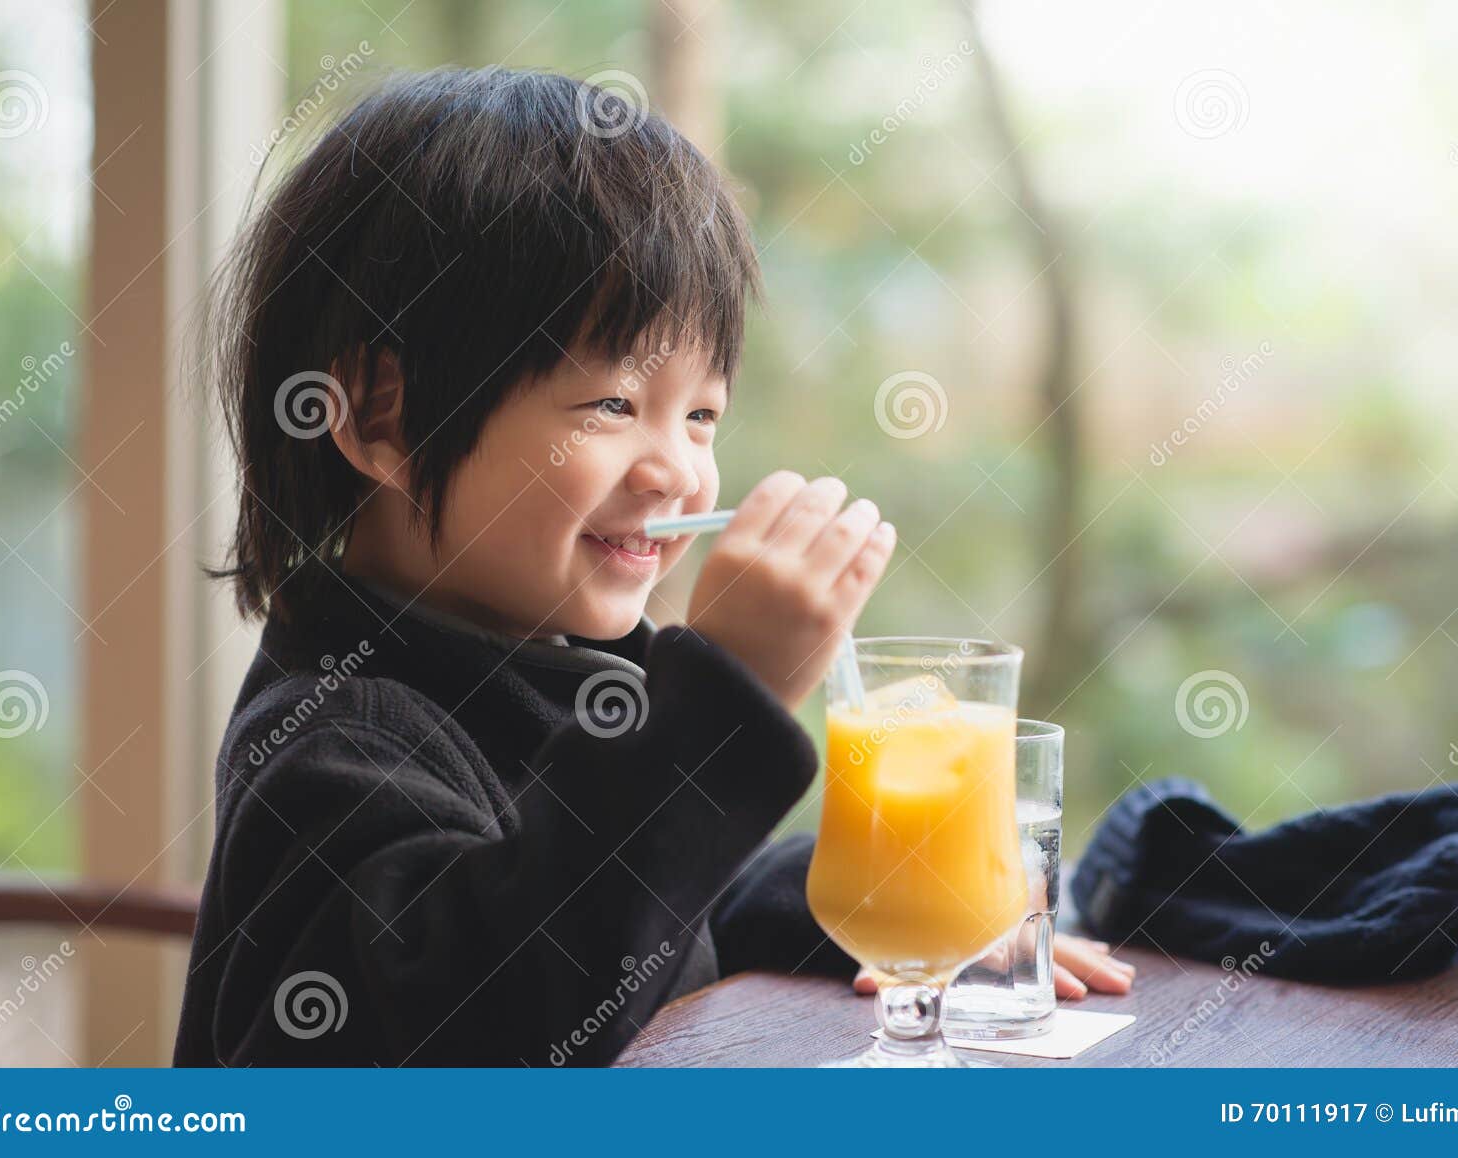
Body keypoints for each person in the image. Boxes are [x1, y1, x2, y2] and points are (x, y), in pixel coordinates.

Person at [174, 66, 1129, 1067]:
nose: (677, 470)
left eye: (702, 414)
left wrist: (898, 911)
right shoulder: (342, 733)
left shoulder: (546, 670)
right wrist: (725, 696)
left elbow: (666, 909)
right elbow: (494, 1009)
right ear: (382, 415)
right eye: (613, 405)